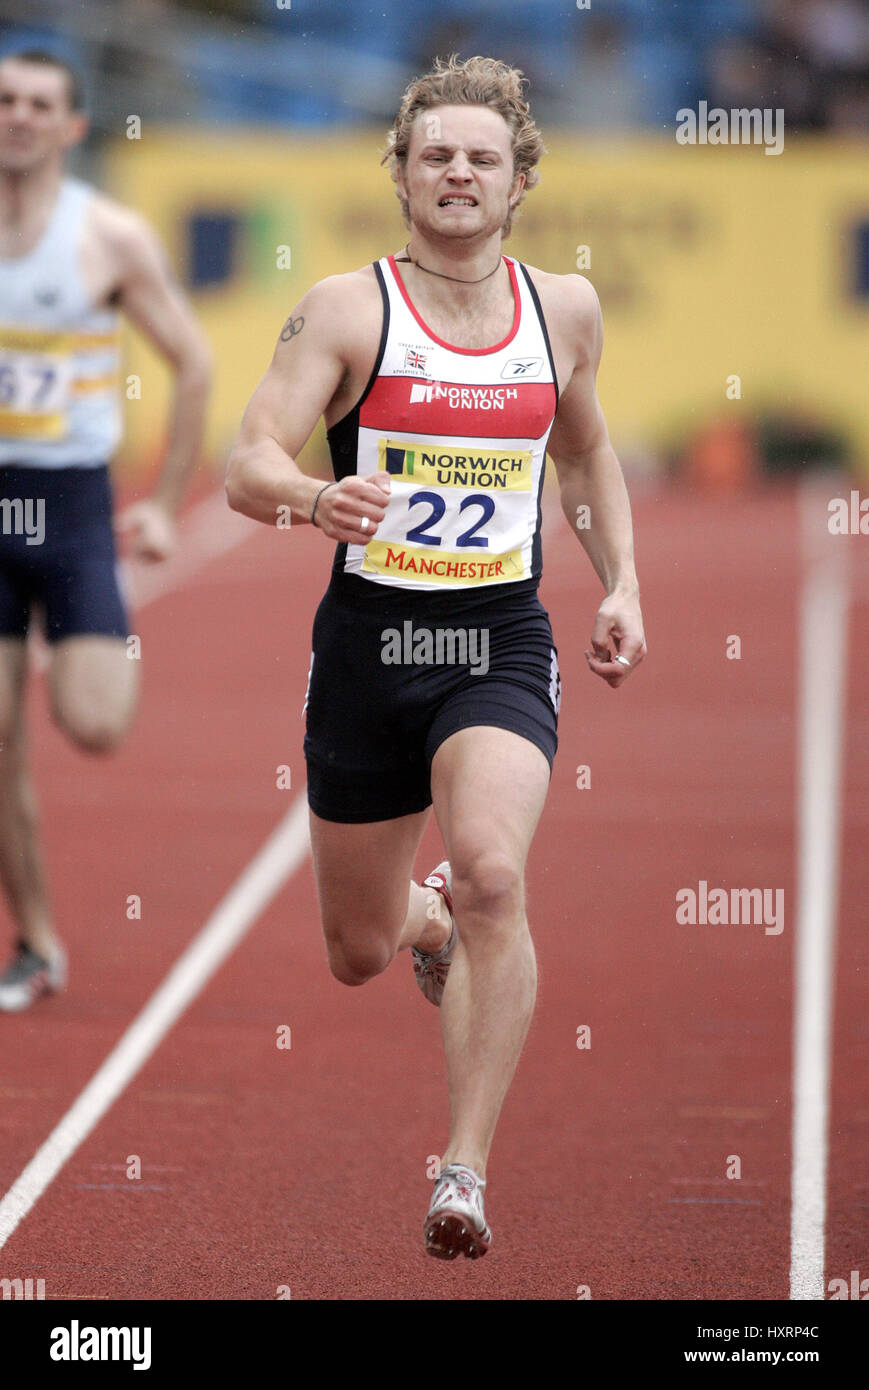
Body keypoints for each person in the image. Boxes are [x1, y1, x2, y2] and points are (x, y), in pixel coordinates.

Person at [226, 54, 646, 1260]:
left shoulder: (562, 307)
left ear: (519, 181)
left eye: (480, 157)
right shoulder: (348, 308)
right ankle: (425, 931)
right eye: (433, 155)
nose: (456, 172)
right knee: (356, 951)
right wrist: (313, 499)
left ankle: (460, 1169)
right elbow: (244, 457)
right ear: (401, 176)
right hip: (367, 644)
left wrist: (621, 582)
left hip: (494, 639)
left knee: (494, 873)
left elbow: (583, 456)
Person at [0, 50, 212, 1010]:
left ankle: (83, 647)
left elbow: (195, 364)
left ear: (74, 126)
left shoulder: (109, 236)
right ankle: (37, 940)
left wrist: (166, 502)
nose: (19, 117)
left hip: (75, 507)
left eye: (39, 104)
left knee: (94, 725)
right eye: (4, 101)